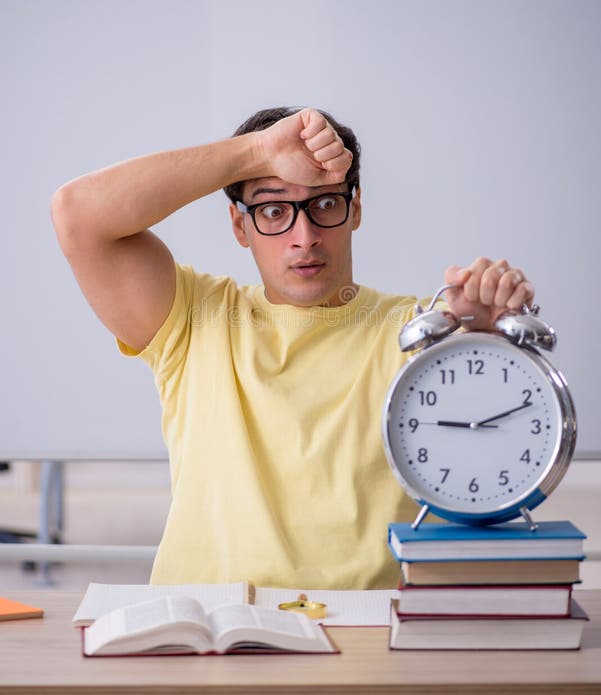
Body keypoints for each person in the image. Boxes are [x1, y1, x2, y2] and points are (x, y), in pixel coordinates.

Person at [51, 107, 534, 589]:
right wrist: (258, 152)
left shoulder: (422, 332)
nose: (305, 239)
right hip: (208, 631)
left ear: (356, 208)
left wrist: (489, 336)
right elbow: (78, 214)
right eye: (273, 209)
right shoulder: (193, 319)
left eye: (325, 204)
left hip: (367, 637)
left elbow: (498, 457)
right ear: (240, 227)